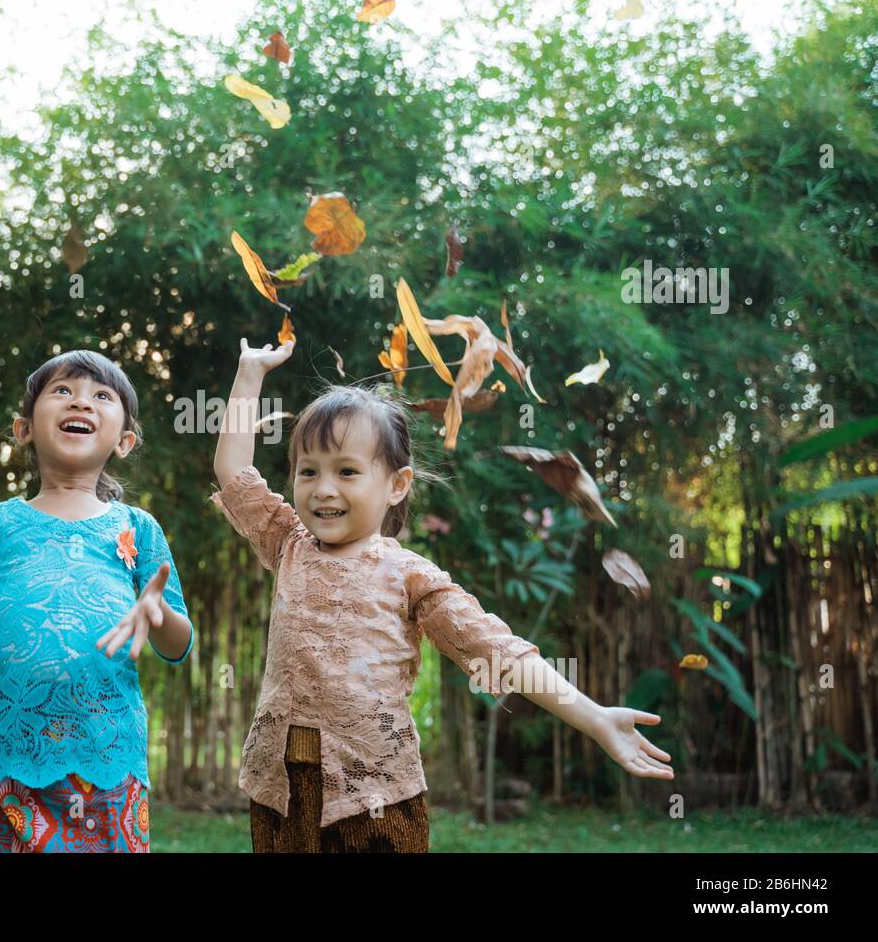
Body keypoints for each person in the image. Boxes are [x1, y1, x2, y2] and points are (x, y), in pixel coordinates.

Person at [211, 337, 673, 852]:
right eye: (308, 471)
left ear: (396, 484)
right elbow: (235, 475)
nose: (323, 489)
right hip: (282, 791)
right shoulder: (288, 545)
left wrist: (594, 716)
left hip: (375, 799)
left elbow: (495, 650)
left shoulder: (409, 574)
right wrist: (250, 373)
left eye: (346, 471)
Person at [0, 350, 193, 852]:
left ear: (124, 441)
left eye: (101, 396)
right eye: (62, 391)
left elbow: (177, 643)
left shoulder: (138, 529)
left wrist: (159, 612)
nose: (81, 400)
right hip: (5, 753)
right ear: (24, 429)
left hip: (107, 755)